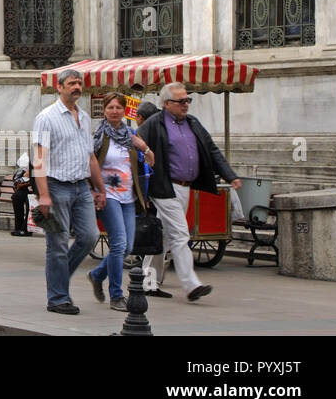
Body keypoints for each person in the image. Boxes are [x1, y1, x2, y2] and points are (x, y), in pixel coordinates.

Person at [138, 81, 241, 302]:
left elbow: (212, 150)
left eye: (188, 100)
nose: (186, 104)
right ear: (166, 103)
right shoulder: (153, 125)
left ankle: (147, 282)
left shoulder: (193, 123)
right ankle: (191, 284)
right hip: (163, 187)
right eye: (181, 101)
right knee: (181, 233)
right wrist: (140, 190)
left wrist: (230, 175)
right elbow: (136, 150)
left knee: (165, 236)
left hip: (185, 186)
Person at [32, 68, 106, 315]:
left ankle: (59, 279)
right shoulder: (46, 117)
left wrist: (100, 189)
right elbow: (39, 158)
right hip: (56, 186)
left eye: (79, 83)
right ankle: (58, 297)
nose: (77, 87)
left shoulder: (84, 117)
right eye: (72, 83)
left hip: (81, 187)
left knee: (89, 236)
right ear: (60, 87)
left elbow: (91, 157)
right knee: (58, 244)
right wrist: (44, 195)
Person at [86, 93, 155, 311]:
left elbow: (142, 148)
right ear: (104, 110)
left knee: (128, 246)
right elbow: (88, 162)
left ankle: (97, 275)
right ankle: (116, 295)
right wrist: (94, 190)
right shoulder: (99, 135)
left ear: (124, 110)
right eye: (110, 107)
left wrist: (147, 151)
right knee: (118, 244)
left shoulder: (128, 134)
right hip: (108, 195)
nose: (114, 111)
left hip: (129, 196)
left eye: (118, 107)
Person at [10, 151, 36, 236]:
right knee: (16, 197)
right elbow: (17, 180)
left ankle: (26, 229)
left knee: (30, 200)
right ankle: (18, 227)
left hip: (39, 189)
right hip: (27, 188)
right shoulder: (25, 167)